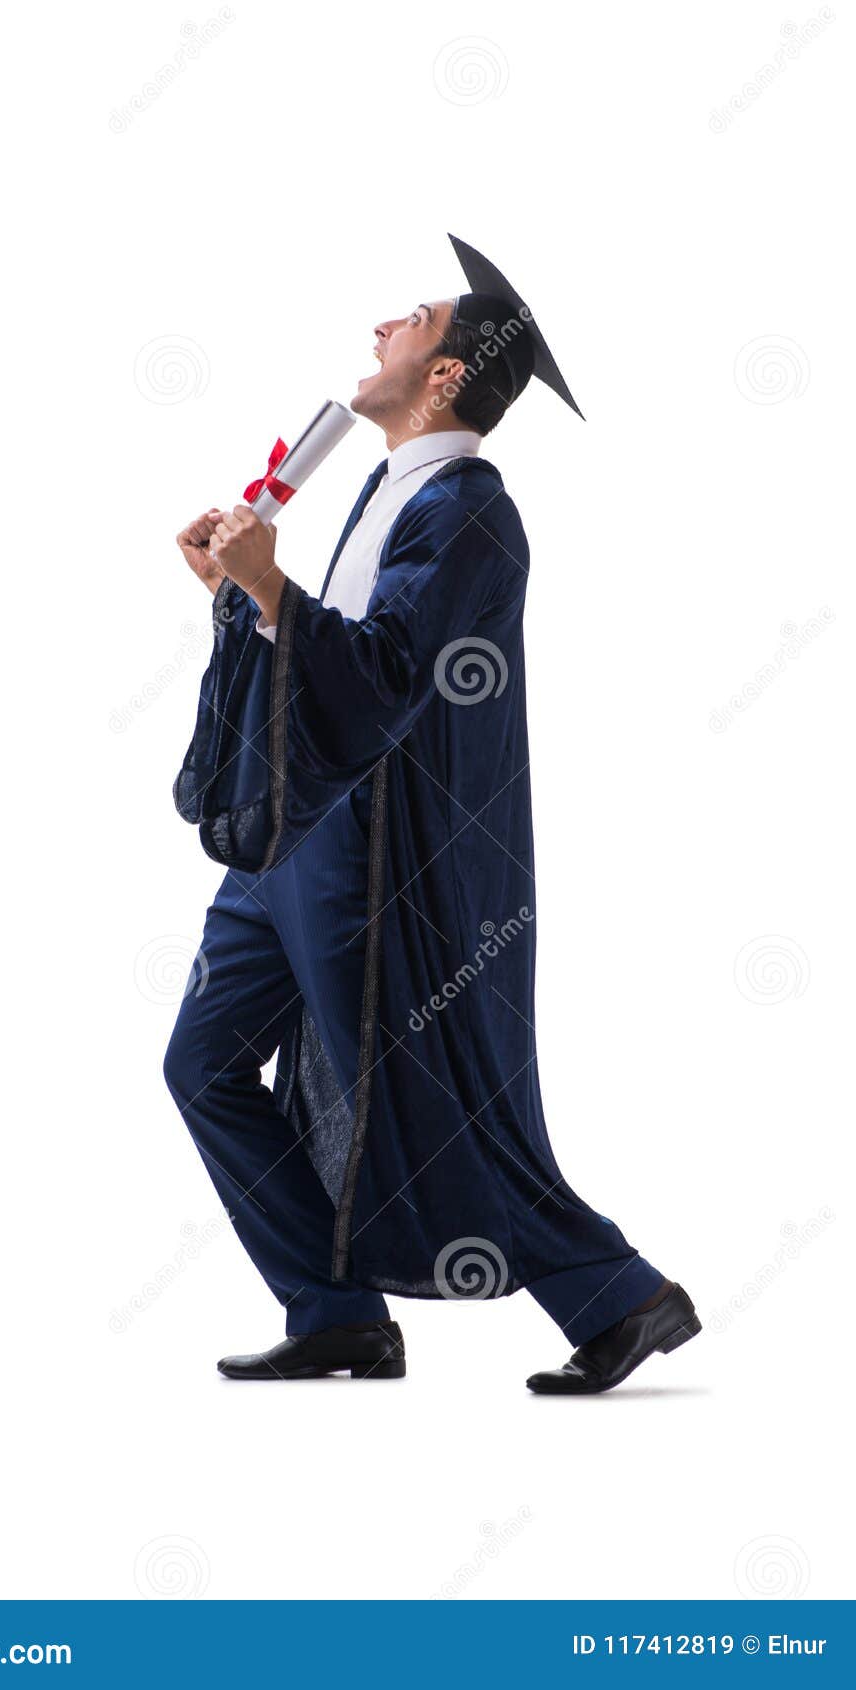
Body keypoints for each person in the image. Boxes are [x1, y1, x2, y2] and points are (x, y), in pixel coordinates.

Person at [164, 235, 699, 1392]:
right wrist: (245, 596)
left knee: (433, 1084)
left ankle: (620, 1296)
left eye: (409, 319)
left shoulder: (470, 512)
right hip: (289, 842)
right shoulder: (387, 486)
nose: (380, 329)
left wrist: (271, 588)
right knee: (202, 1061)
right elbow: (332, 656)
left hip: (371, 852)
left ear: (448, 375)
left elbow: (395, 676)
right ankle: (336, 1308)